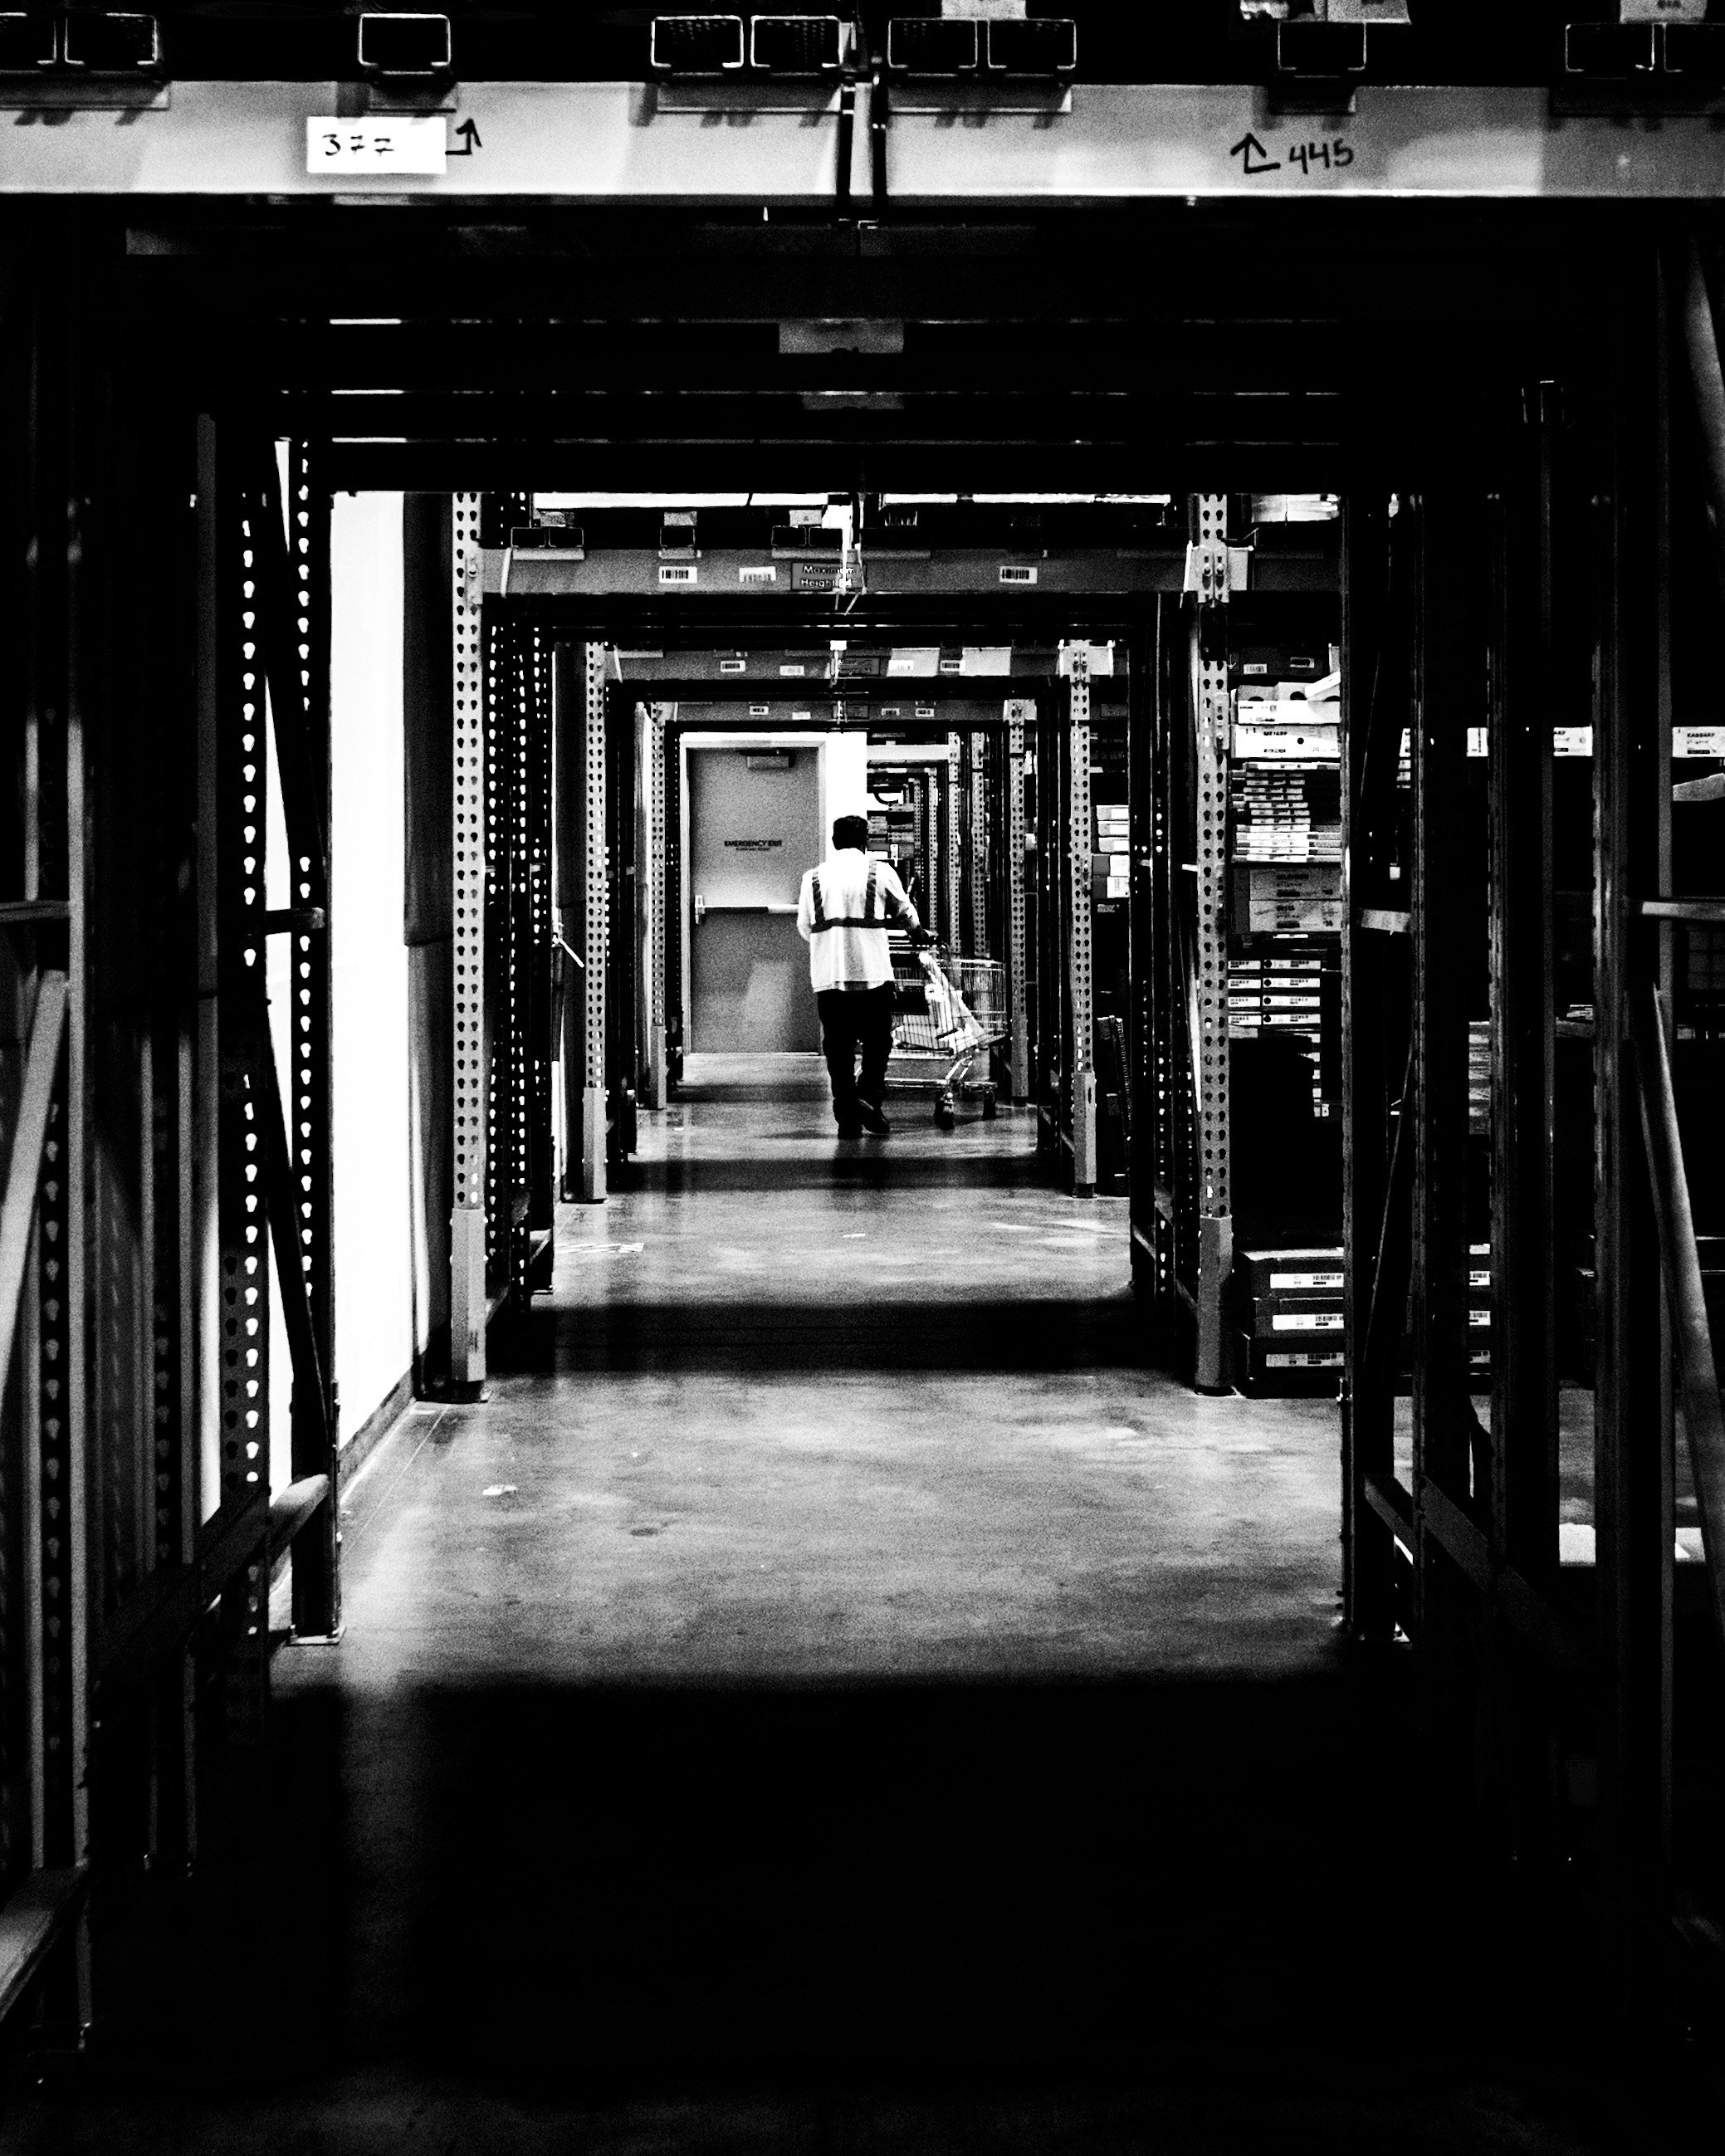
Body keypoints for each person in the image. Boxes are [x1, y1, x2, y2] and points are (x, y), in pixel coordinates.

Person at [796, 812, 927, 1138]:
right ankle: (869, 1100)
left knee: (838, 1048)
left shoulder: (812, 877)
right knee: (877, 1044)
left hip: (829, 977)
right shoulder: (879, 871)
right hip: (873, 976)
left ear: (834, 842)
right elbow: (905, 911)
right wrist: (917, 932)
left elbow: (804, 927)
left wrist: (832, 944)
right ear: (865, 841)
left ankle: (847, 1117)